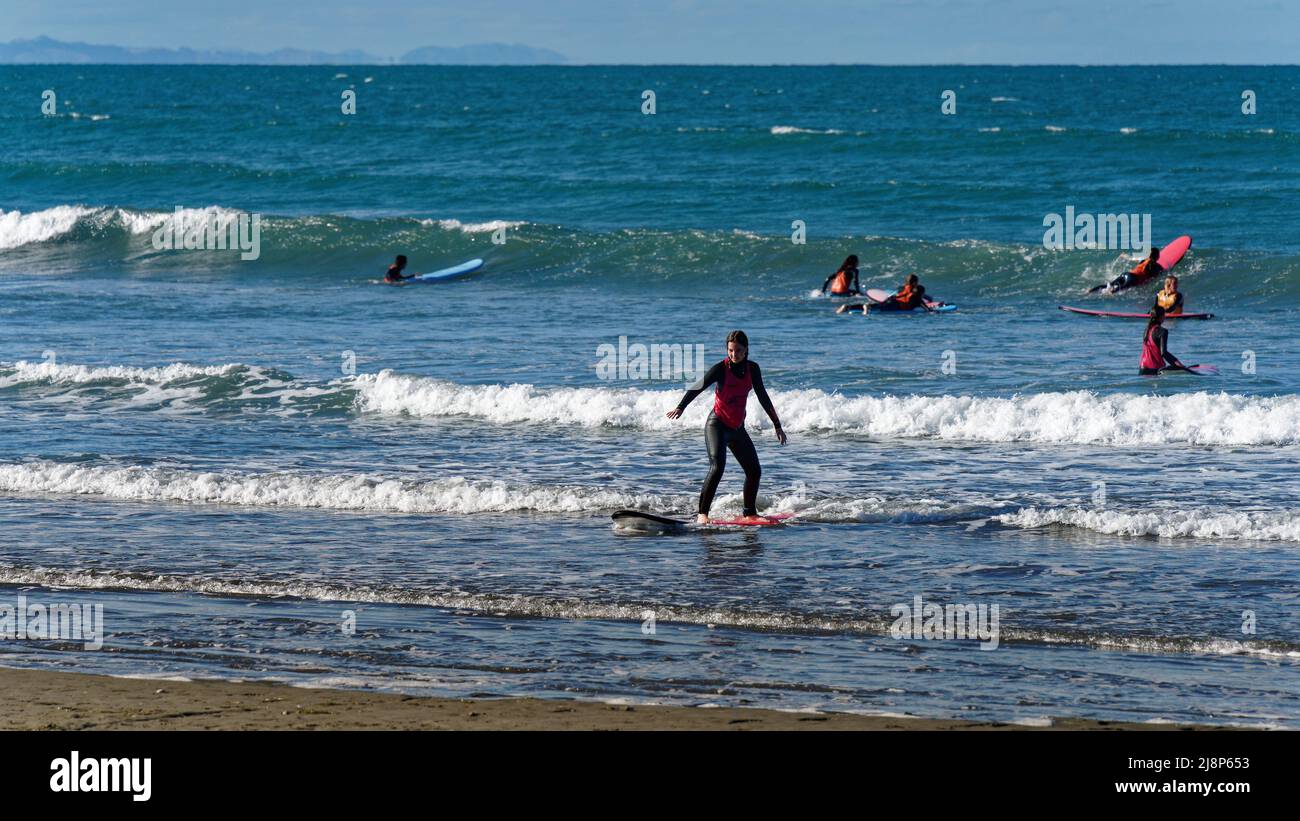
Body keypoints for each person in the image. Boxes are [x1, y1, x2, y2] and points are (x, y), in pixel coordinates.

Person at [665, 330, 787, 524]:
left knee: (754, 471)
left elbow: (763, 396)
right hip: (717, 425)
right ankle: (702, 514)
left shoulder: (752, 369)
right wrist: (681, 407)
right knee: (717, 467)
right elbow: (698, 386)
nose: (734, 354)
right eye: (730, 350)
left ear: (746, 350)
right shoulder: (720, 369)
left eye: (738, 350)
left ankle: (749, 513)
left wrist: (777, 425)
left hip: (737, 428)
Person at [835, 273, 929, 313]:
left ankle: (848, 307)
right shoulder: (916, 297)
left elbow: (896, 294)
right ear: (915, 282)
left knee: (877, 305)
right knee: (878, 309)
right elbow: (925, 307)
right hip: (897, 305)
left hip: (891, 299)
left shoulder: (901, 288)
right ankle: (868, 307)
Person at [1139, 306, 1188, 374]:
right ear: (1161, 317)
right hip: (1154, 369)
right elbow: (1164, 353)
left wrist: (1176, 362)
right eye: (1164, 315)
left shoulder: (1146, 330)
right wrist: (1178, 365)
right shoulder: (1162, 331)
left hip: (1142, 368)